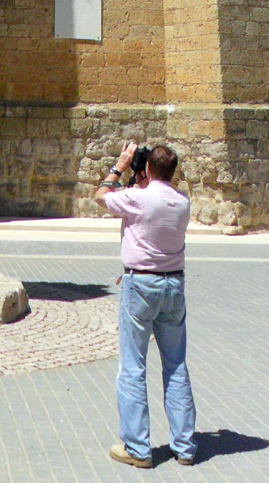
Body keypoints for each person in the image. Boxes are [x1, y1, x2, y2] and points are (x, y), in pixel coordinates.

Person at [95, 141, 197, 469]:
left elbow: (100, 196)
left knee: (133, 367)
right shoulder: (183, 202)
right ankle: (185, 447)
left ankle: (138, 448)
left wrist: (120, 165)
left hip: (140, 285)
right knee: (176, 365)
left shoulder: (138, 198)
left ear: (148, 169)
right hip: (174, 285)